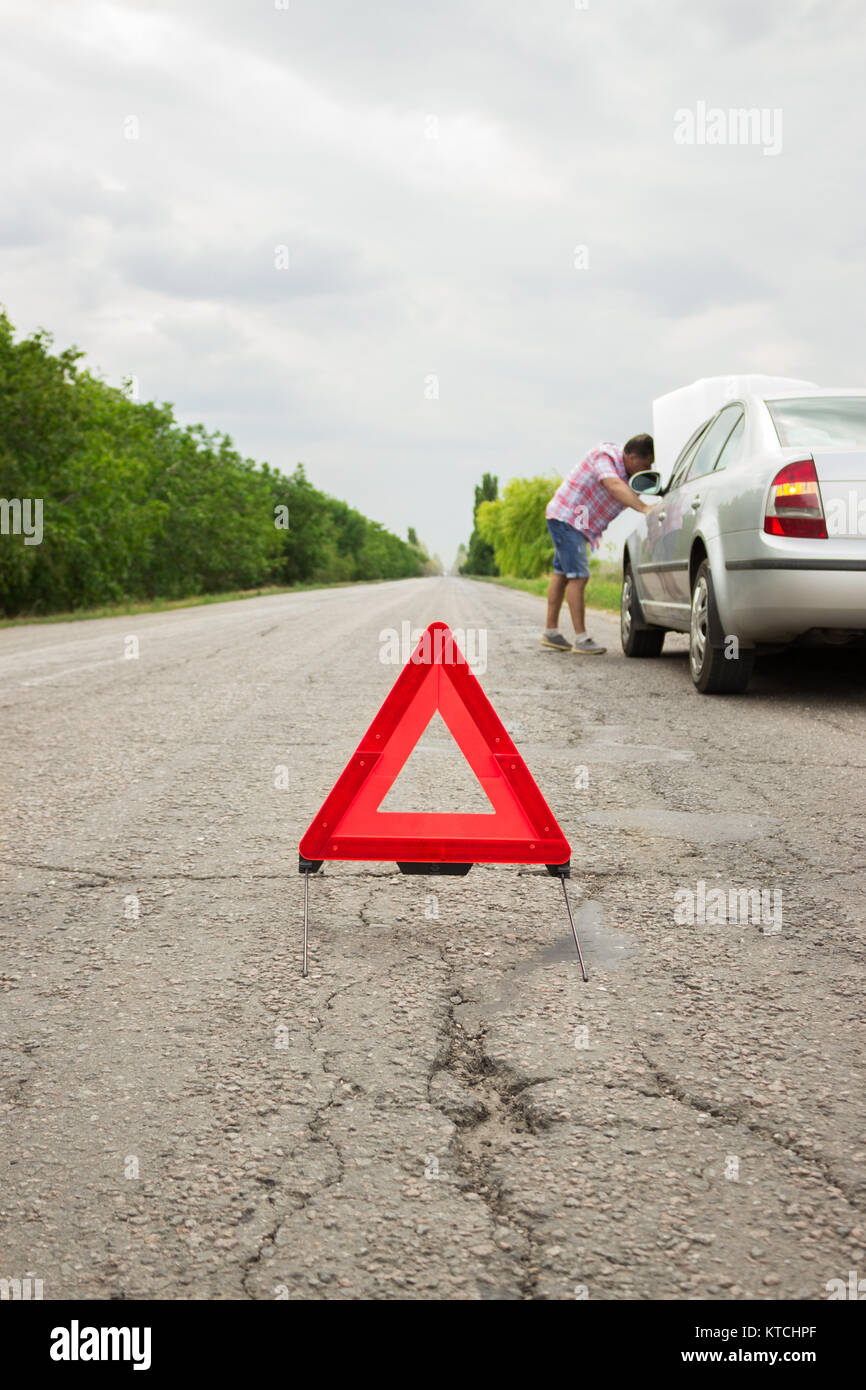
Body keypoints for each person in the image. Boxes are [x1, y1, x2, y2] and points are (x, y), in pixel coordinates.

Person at [541, 434, 656, 655]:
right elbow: (612, 485)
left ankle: (551, 632)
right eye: (645, 464)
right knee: (579, 576)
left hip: (572, 523)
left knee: (562, 574)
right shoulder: (604, 456)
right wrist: (644, 508)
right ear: (631, 457)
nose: (647, 469)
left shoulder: (631, 475)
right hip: (568, 518)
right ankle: (581, 638)